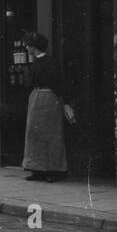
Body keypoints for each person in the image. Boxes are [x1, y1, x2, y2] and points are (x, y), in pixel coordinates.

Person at [21, 32, 73, 182]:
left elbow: (58, 83)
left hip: (48, 99)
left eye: (28, 45)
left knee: (50, 134)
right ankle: (37, 169)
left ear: (34, 47)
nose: (26, 47)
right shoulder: (38, 62)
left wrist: (65, 101)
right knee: (35, 133)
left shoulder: (49, 62)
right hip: (37, 98)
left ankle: (53, 170)